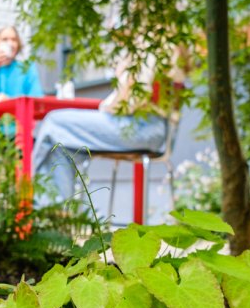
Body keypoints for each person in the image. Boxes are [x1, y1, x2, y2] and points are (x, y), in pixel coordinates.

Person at [30, 45, 192, 206]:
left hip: (140, 127)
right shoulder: (169, 46)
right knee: (60, 146)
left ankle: (26, 185)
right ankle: (56, 215)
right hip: (155, 130)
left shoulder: (150, 47)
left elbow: (132, 100)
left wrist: (120, 76)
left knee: (54, 122)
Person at [0, 25, 43, 157]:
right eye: (4, 39)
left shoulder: (27, 70)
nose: (10, 43)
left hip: (22, 133)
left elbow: (37, 99)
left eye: (14, 39)